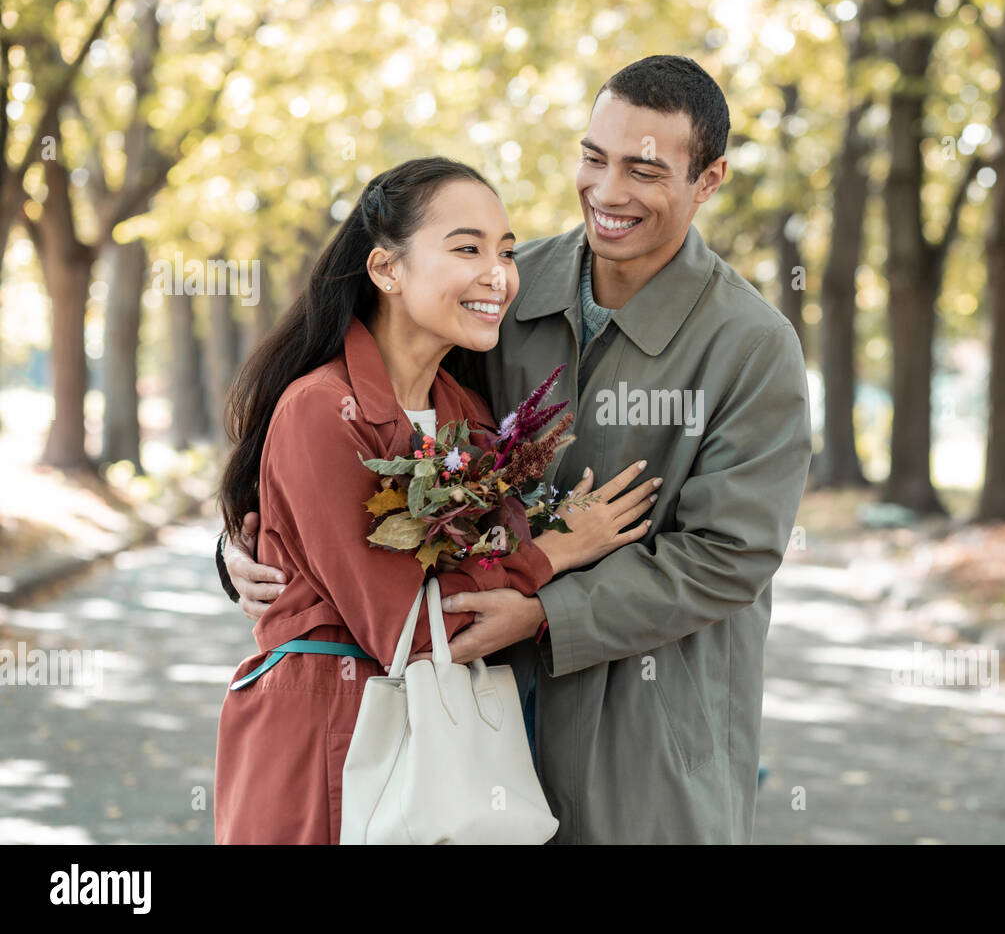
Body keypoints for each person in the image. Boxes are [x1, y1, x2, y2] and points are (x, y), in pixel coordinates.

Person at [222, 55, 813, 843]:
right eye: (594, 158)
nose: (608, 192)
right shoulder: (502, 291)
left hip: (644, 735)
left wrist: (543, 612)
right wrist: (249, 545)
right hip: (465, 722)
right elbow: (369, 438)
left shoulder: (752, 346)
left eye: (644, 169)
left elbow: (730, 554)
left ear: (708, 181)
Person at [212, 156, 656, 843]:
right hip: (324, 746)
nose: (499, 274)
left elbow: (477, 570)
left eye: (506, 252)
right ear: (388, 271)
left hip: (435, 749)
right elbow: (413, 632)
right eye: (467, 248)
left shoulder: (468, 412)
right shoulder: (321, 410)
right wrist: (563, 548)